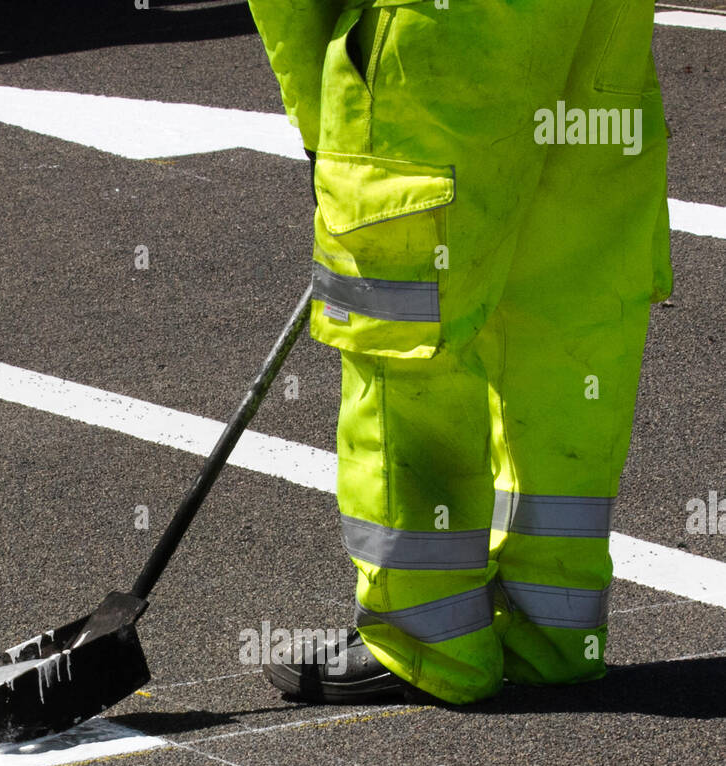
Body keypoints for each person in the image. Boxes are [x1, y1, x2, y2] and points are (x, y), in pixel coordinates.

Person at [248, 0, 671, 705]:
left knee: (406, 333)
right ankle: (556, 631)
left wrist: (323, 124)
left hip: (441, 45)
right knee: (569, 329)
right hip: (598, 30)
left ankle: (426, 639)